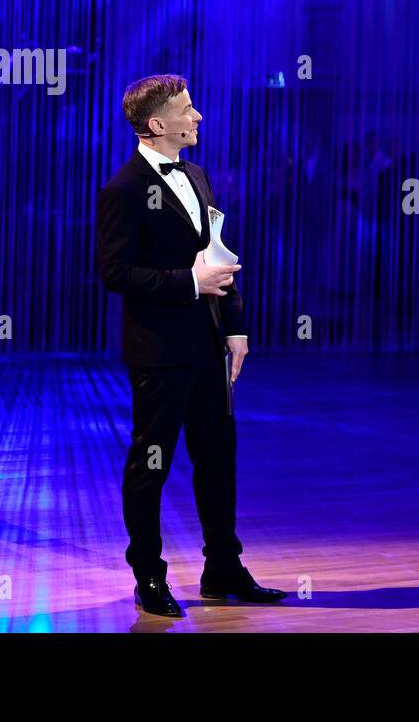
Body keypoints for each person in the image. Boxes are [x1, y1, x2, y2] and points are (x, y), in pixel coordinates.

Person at [96, 73, 286, 617]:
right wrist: (187, 283)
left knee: (218, 459)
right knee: (150, 464)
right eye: (187, 109)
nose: (197, 116)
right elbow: (115, 273)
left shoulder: (197, 175)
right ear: (158, 124)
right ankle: (149, 576)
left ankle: (223, 567)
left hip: (207, 345)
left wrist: (235, 327)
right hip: (159, 351)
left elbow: (216, 253)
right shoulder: (124, 189)